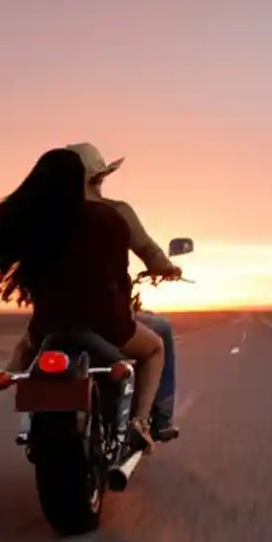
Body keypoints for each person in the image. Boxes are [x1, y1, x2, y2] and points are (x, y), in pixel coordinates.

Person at [0, 148, 165, 448]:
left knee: (28, 343)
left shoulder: (37, 222)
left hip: (49, 325)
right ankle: (140, 421)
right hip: (107, 324)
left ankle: (15, 380)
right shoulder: (111, 216)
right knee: (155, 348)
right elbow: (122, 271)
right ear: (86, 179)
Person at [64, 142, 182, 438]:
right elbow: (149, 251)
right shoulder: (116, 213)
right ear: (99, 177)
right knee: (160, 336)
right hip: (108, 321)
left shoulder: (45, 219)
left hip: (54, 321)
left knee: (27, 356)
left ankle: (29, 420)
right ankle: (149, 421)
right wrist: (168, 268)